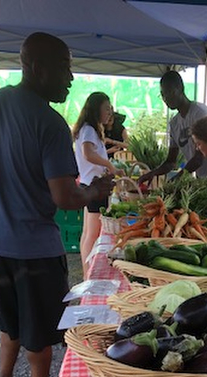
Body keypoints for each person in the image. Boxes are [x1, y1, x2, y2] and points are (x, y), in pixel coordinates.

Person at [0, 32, 115, 377]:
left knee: (10, 321)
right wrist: (95, 191)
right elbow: (64, 196)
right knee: (41, 333)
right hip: (34, 249)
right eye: (65, 69)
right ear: (39, 68)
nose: (71, 79)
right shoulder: (49, 122)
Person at [72, 92, 122, 276]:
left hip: (90, 185)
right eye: (106, 109)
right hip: (93, 187)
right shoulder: (88, 130)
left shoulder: (90, 129)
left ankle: (87, 273)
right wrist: (110, 165)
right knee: (91, 234)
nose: (110, 112)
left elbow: (93, 154)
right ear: (96, 109)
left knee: (88, 233)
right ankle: (88, 274)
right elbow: (87, 153)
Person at [138, 70, 207, 186]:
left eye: (170, 92)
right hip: (201, 179)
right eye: (163, 94)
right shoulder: (174, 123)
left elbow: (199, 158)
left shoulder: (200, 114)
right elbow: (170, 162)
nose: (166, 98)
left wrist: (177, 178)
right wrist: (152, 173)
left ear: (180, 89)